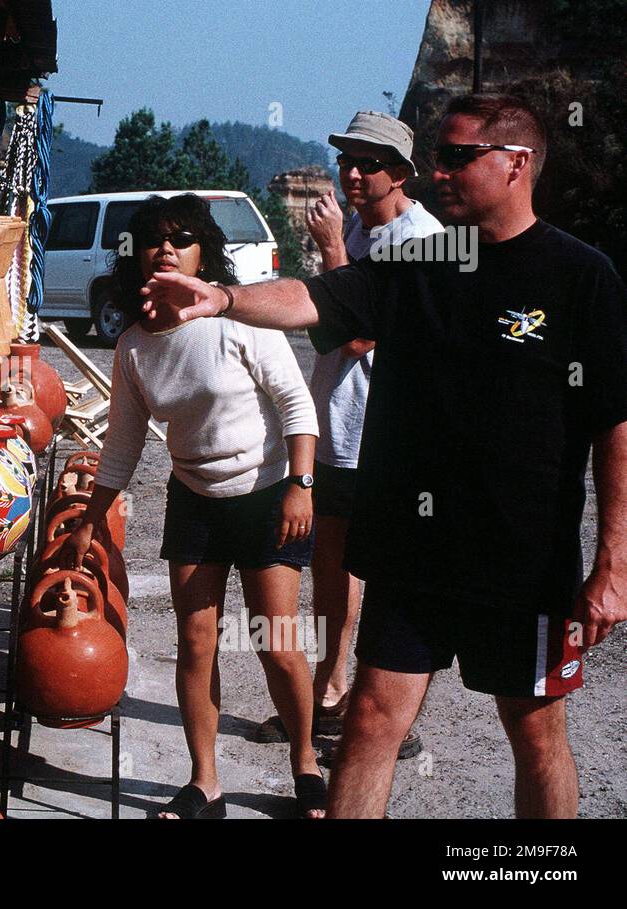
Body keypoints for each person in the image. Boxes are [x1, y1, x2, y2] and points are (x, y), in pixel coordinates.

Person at [139, 94, 627, 819]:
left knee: (536, 734)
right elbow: (311, 298)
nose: (438, 171)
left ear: (516, 164)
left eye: (459, 156)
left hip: (522, 559)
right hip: (414, 548)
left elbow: (614, 425)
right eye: (439, 156)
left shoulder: (579, 275)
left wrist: (613, 564)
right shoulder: (425, 261)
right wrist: (221, 298)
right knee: (369, 718)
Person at [58, 193, 327, 819]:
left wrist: (301, 486)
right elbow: (121, 444)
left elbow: (296, 404)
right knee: (197, 640)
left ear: (204, 252)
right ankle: (205, 783)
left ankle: (307, 765)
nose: (166, 248)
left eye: (181, 238)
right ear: (139, 255)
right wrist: (91, 520)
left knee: (277, 641)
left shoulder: (239, 320)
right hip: (195, 502)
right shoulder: (131, 346)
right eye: (154, 239)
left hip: (269, 499)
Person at [256, 112, 442, 761]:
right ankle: (331, 692)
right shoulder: (363, 226)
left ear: (401, 173)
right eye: (345, 161)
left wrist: (334, 250)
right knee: (332, 562)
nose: (352, 173)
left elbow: (357, 331)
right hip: (339, 427)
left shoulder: (423, 240)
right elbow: (321, 331)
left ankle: (382, 712)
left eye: (367, 163)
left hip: (387, 436)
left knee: (379, 570)